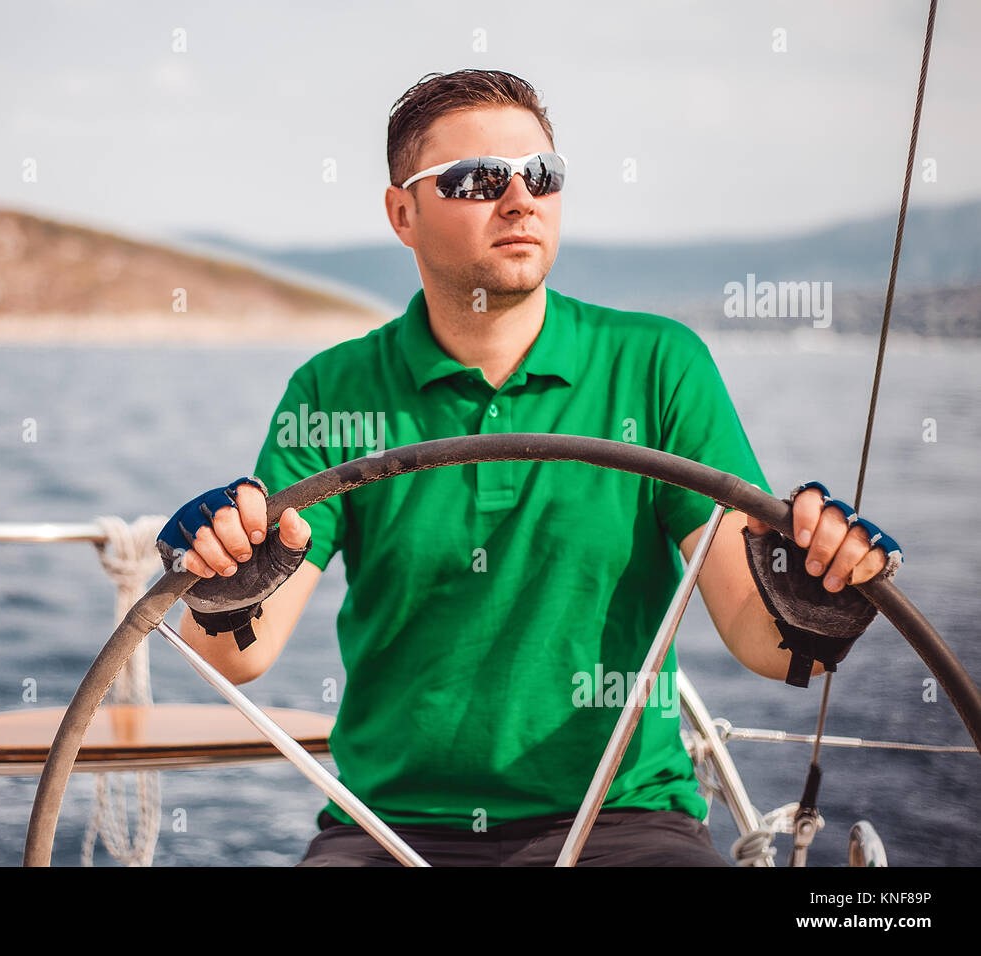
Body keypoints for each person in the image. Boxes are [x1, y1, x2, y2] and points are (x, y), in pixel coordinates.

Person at [160, 69, 897, 866]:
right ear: (401, 213)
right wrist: (224, 576)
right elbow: (242, 652)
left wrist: (817, 591)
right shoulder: (333, 390)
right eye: (476, 180)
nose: (520, 200)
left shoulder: (657, 365)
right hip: (390, 824)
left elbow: (766, 643)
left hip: (626, 820)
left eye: (541, 175)